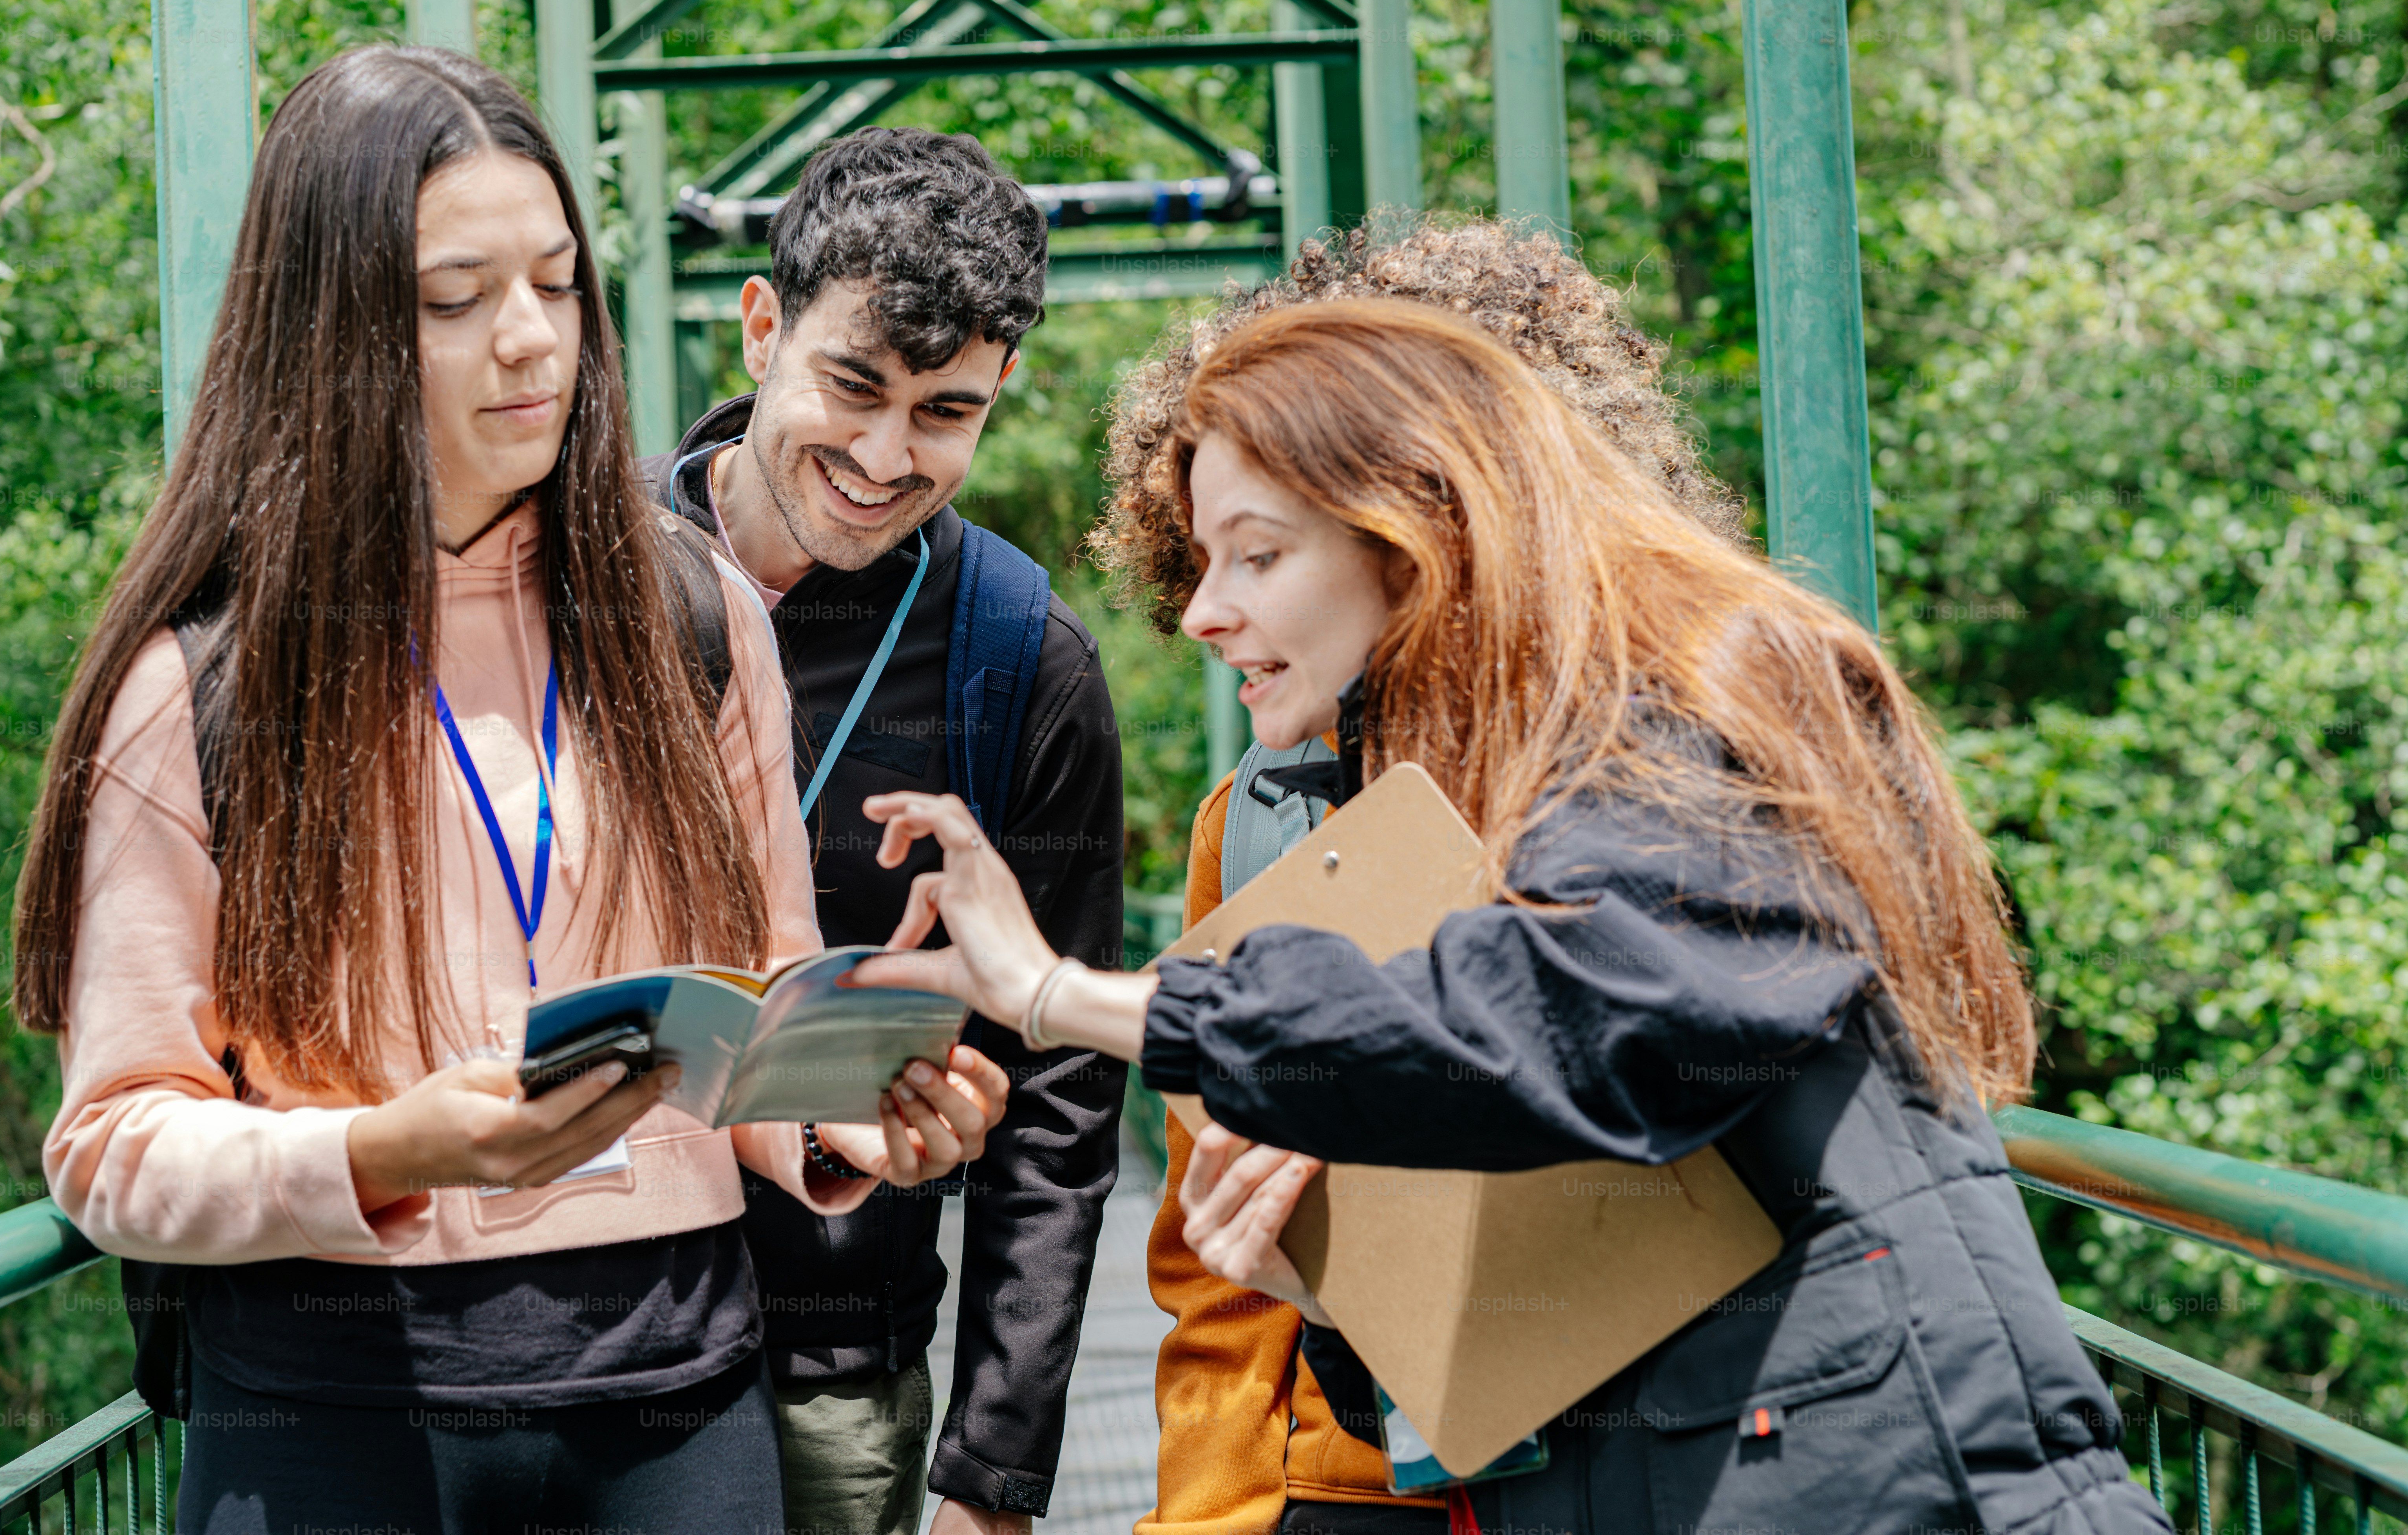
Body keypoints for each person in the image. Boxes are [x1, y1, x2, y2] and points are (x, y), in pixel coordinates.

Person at [854, 298, 2174, 1535]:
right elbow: (1552, 1305)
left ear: (1423, 529)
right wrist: (1333, 1291)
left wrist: (1056, 994)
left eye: (1257, 554)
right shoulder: (1504, 778)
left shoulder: (1692, 701)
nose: (1203, 613)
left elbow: (1553, 1016)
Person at [13, 49, 1008, 1533]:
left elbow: (763, 983)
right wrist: (383, 1150)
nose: (533, 340)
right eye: (454, 299)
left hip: (680, 1400)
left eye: (556, 280)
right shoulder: (202, 682)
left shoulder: (696, 614)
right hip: (332, 1412)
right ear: (331, 328)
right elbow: (112, 1143)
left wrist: (847, 1114)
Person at [1095, 216, 1747, 1535]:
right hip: (1353, 1483)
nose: (1207, 610)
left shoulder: (1650, 791)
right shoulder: (1258, 823)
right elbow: (1217, 1271)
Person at [640, 125, 1128, 1535]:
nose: (882, 454)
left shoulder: (1020, 659)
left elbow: (1061, 1098)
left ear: (999, 395)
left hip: (829, 1373)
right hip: (564, 1332)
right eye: (852, 385)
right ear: (760, 330)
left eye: (944, 413)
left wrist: (992, 1476)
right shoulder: (572, 583)